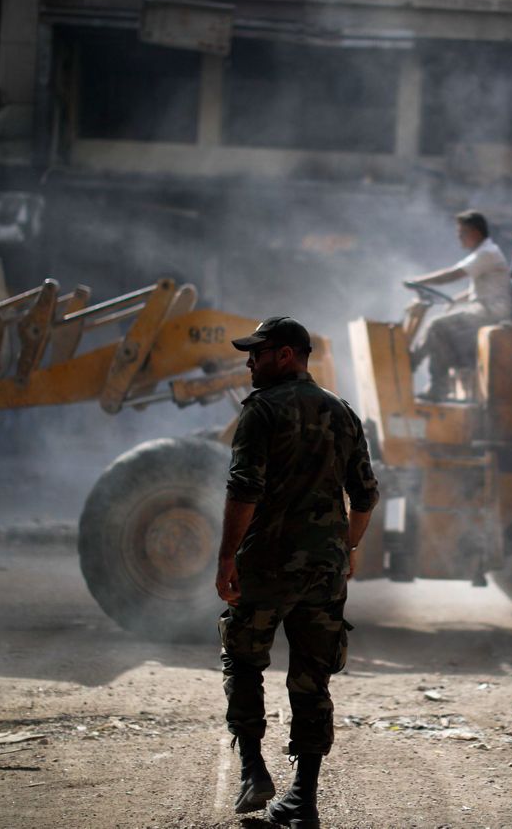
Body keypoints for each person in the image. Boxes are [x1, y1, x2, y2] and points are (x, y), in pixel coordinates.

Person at [215, 316, 379, 828]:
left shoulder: (261, 412)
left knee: (243, 661)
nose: (249, 362)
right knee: (313, 680)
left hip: (266, 567)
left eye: (257, 353)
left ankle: (253, 771)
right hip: (324, 573)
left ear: (285, 355)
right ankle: (303, 800)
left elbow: (244, 489)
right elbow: (367, 494)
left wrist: (225, 559)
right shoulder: (343, 412)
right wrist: (348, 547)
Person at [404, 209, 510, 400]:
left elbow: (453, 274)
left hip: (490, 312)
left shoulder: (487, 253)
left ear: (476, 233)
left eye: (462, 233)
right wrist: (454, 301)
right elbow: (478, 289)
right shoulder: (485, 253)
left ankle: (410, 363)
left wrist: (419, 281)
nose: (459, 238)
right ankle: (438, 386)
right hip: (483, 308)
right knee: (442, 336)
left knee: (437, 326)